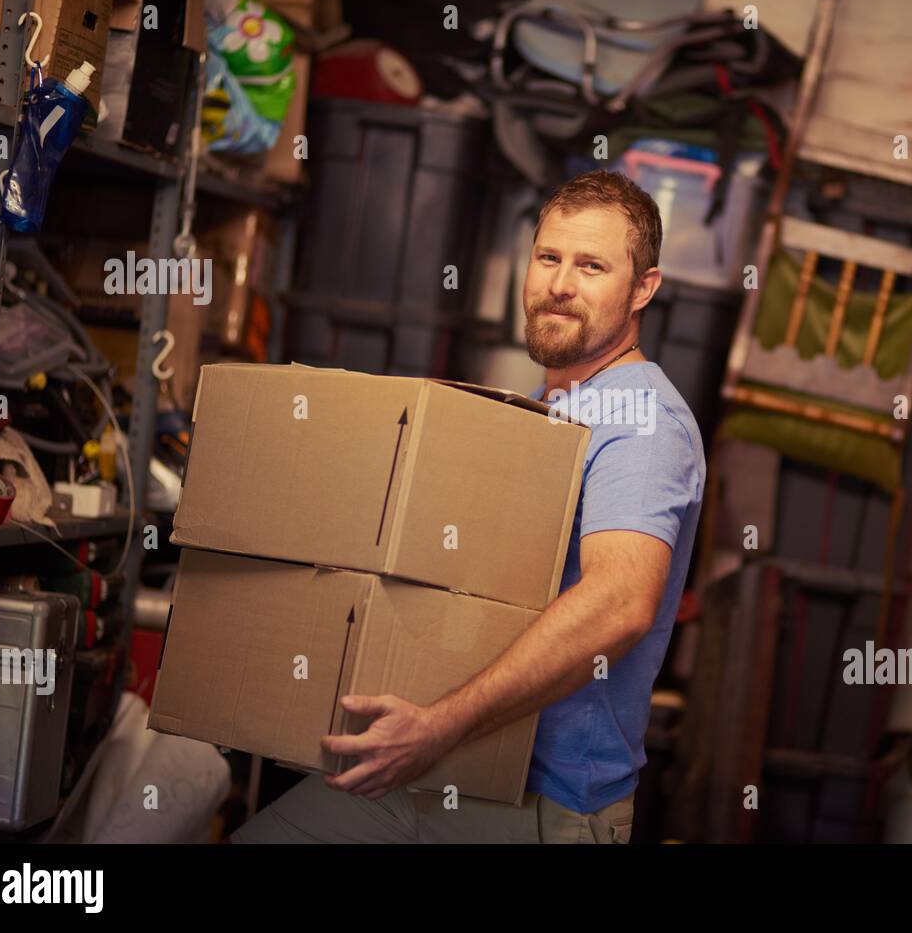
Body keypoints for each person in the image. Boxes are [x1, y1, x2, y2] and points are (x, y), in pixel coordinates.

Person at [231, 170, 705, 843]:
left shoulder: (642, 423)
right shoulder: (560, 408)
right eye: (549, 258)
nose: (560, 284)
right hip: (446, 766)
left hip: (538, 804)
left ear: (643, 289)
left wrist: (439, 726)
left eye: (592, 266)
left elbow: (621, 602)